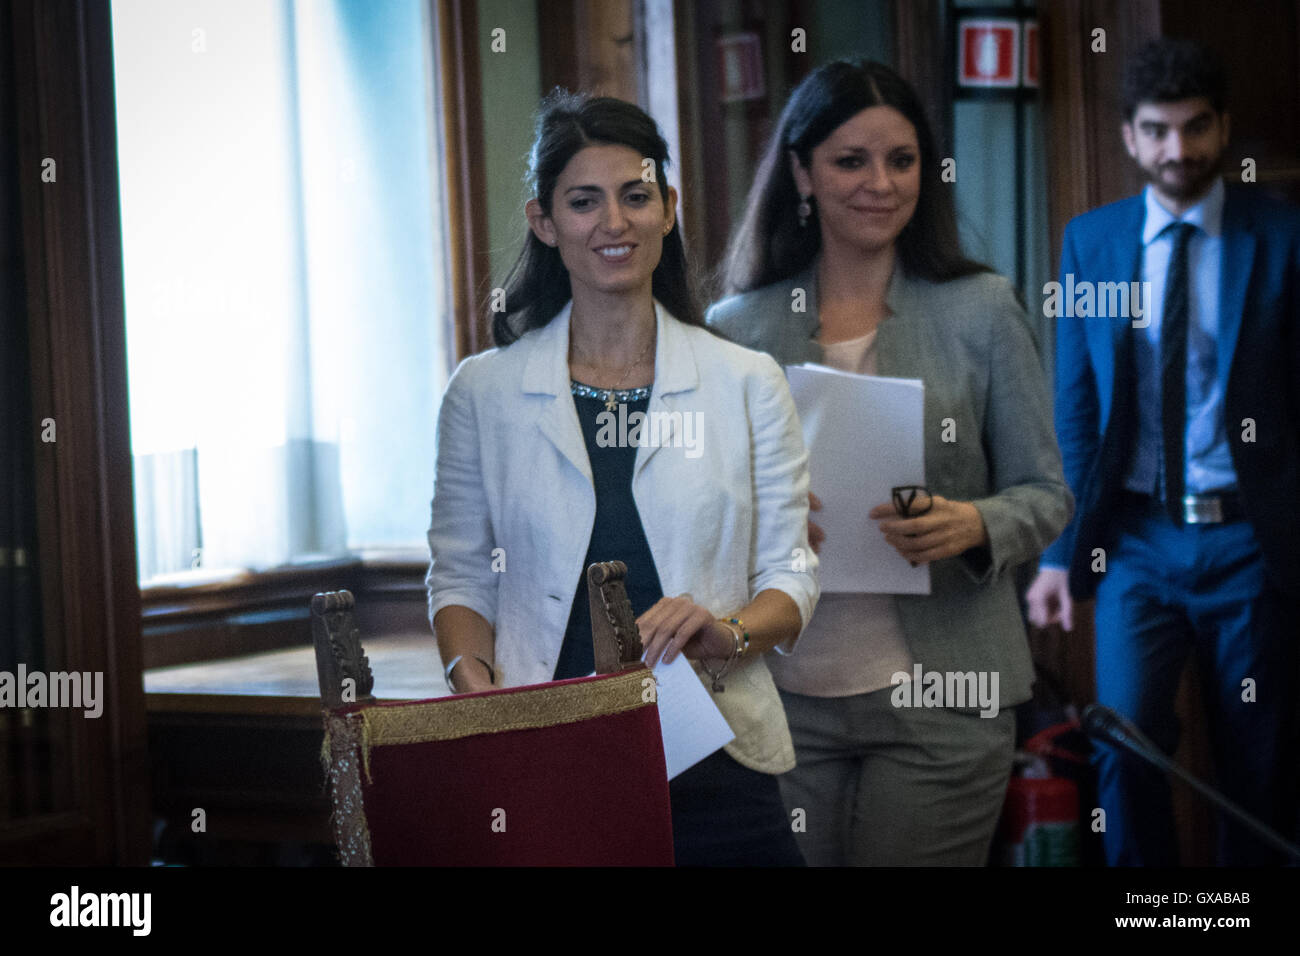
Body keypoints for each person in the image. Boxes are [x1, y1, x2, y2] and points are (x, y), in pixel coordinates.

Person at [426, 91, 819, 866]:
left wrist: (727, 633)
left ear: (668, 210)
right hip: (550, 755)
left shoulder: (746, 380)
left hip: (717, 755)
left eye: (636, 196)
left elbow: (792, 575)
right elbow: (460, 576)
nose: (615, 222)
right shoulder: (484, 392)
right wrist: (471, 686)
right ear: (544, 221)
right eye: (584, 202)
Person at [707, 59, 1072, 866]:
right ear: (801, 172)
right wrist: (749, 518)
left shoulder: (982, 308)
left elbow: (1047, 492)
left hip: (942, 698)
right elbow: (695, 508)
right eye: (850, 160)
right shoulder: (733, 328)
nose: (880, 182)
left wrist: (975, 522)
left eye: (901, 160)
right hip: (780, 700)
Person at [1026, 37, 1300, 866]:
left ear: (1222, 127)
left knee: (1261, 761)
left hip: (1251, 540)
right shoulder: (1094, 244)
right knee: (1125, 744)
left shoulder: (1281, 234)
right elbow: (1075, 412)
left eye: (1195, 128)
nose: (1178, 150)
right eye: (1158, 130)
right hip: (1136, 544)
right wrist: (1057, 557)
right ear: (1129, 137)